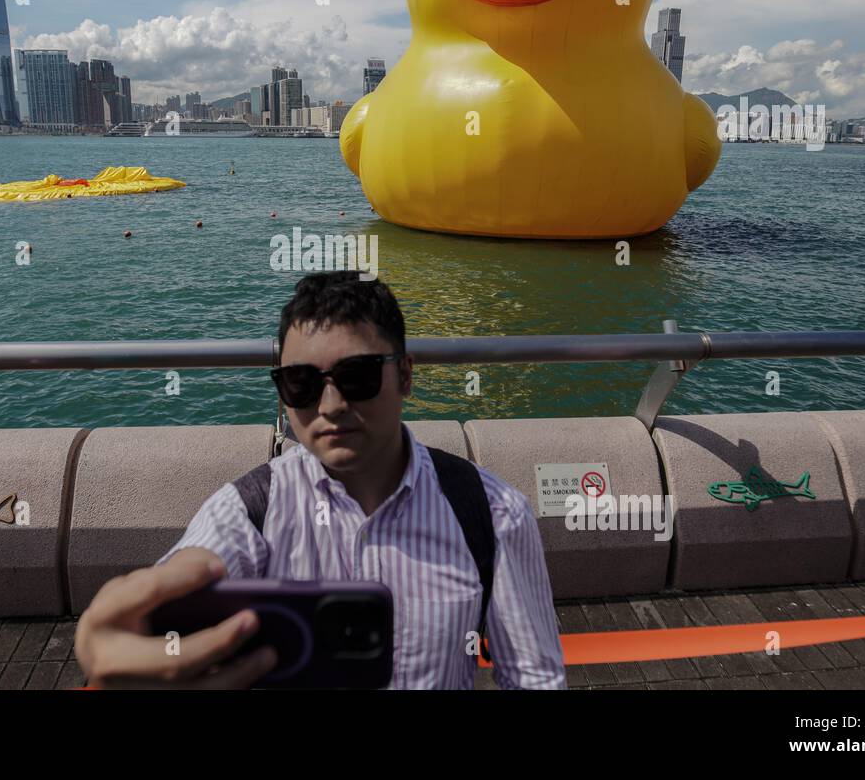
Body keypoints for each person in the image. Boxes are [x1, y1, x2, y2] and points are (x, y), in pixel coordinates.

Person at [75, 271, 566, 689]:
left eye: (357, 376)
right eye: (302, 383)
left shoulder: (493, 514)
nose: (330, 406)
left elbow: (534, 677)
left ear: (406, 376)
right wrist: (122, 627)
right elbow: (186, 574)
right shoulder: (248, 511)